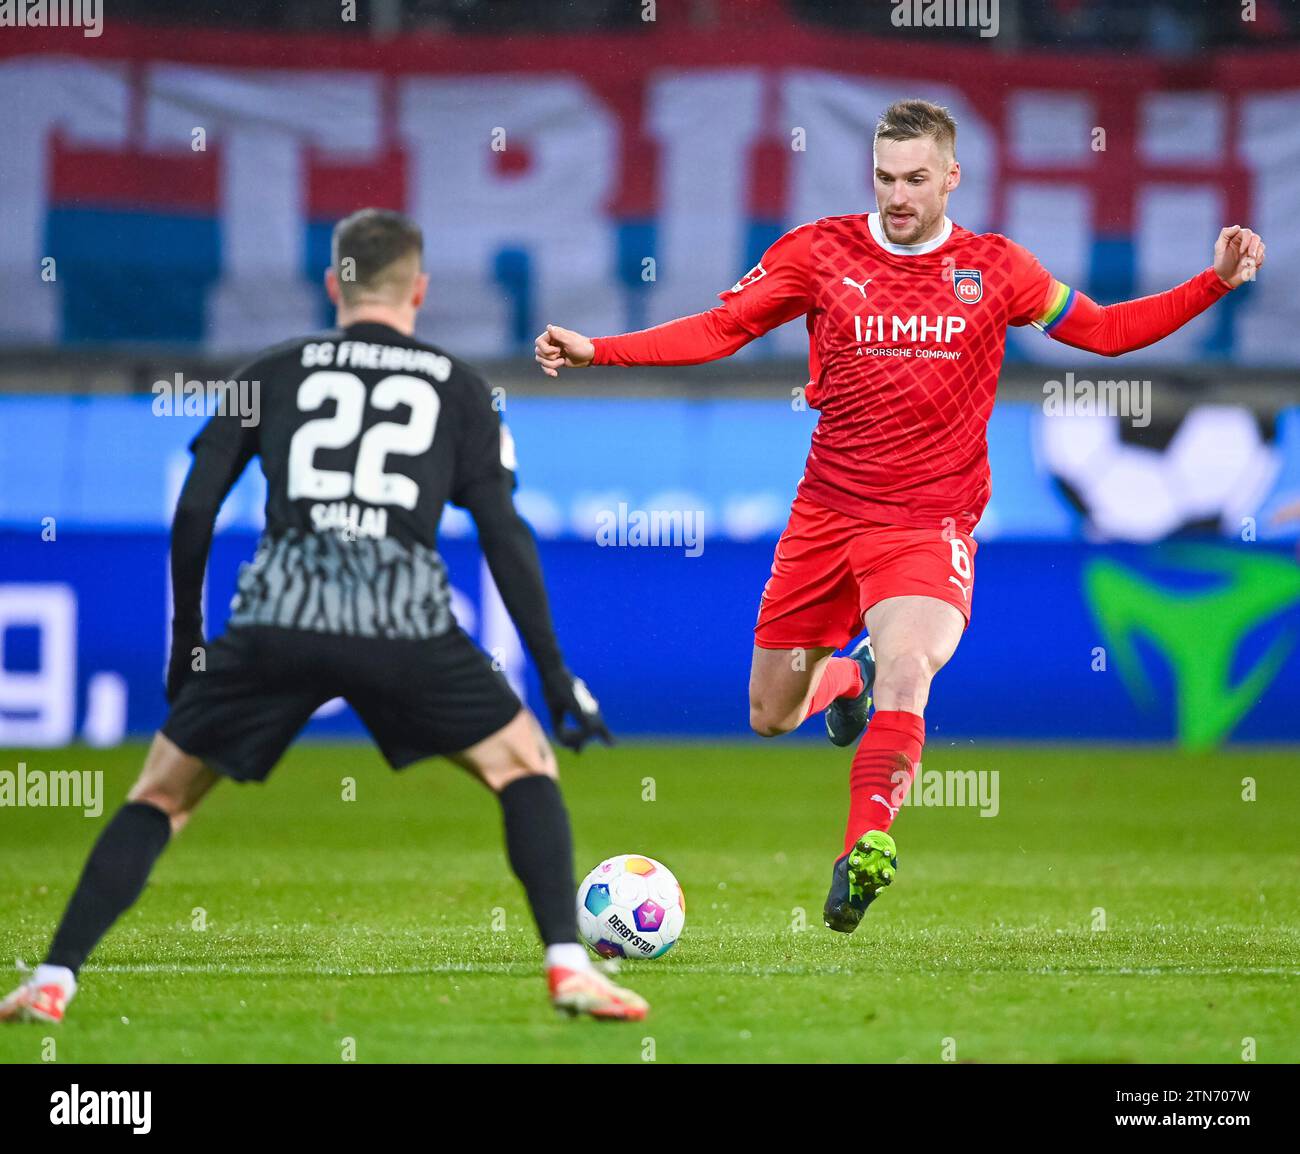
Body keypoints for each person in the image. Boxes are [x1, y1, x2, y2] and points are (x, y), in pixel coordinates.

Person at [534, 98, 1265, 934]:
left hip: (928, 524)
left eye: (916, 179)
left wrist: (1214, 282)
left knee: (912, 667)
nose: (897, 195)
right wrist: (603, 348)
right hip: (826, 516)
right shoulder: (819, 252)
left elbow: (1102, 332)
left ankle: (865, 845)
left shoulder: (997, 268)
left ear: (952, 177)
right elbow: (722, 327)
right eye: (885, 177)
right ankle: (848, 679)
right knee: (770, 714)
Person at [3, 208, 647, 1025]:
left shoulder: (271, 371)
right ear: (419, 290)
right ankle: (567, 966)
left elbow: (195, 510)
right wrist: (556, 677)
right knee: (523, 766)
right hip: (401, 624)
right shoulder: (458, 388)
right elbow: (503, 535)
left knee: (161, 796)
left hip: (279, 616)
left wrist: (188, 642)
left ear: (332, 283)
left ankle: (54, 980)